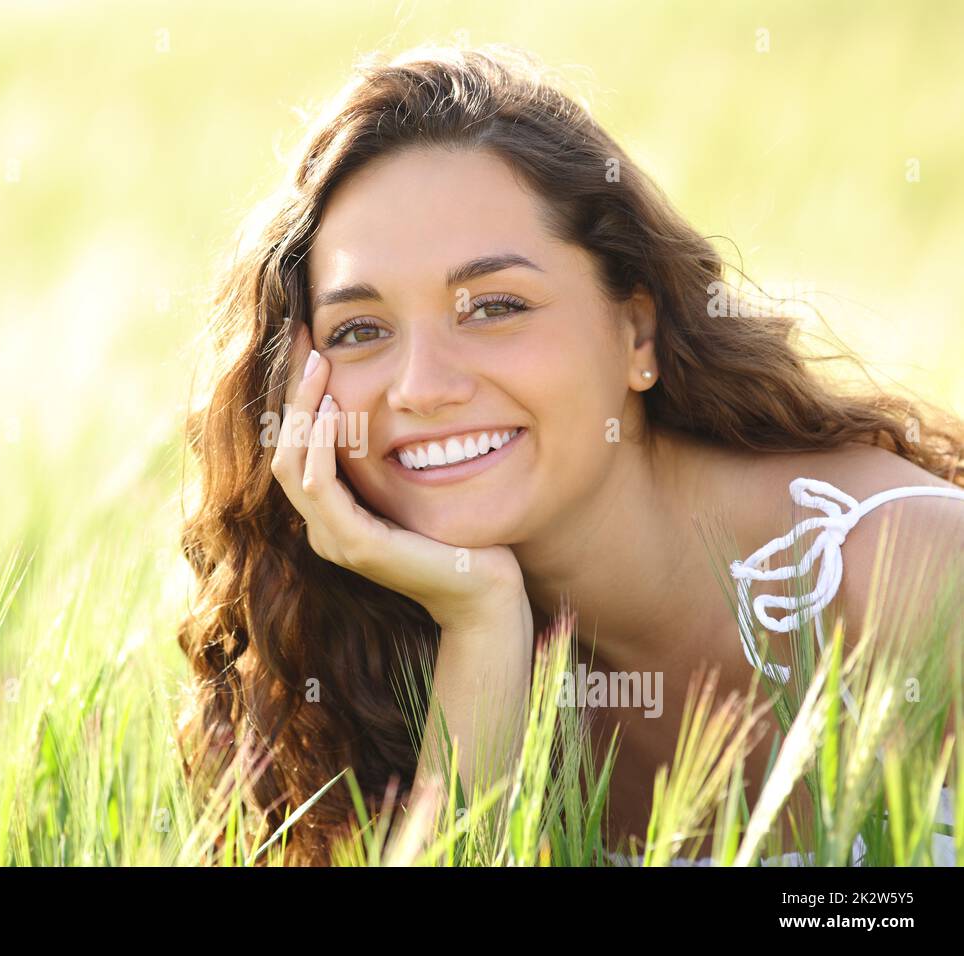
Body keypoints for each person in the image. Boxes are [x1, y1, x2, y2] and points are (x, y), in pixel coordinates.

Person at [175, 43, 964, 866]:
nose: (422, 386)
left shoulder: (910, 576)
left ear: (637, 332)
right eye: (361, 330)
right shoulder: (378, 654)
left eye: (494, 307)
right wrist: (479, 626)